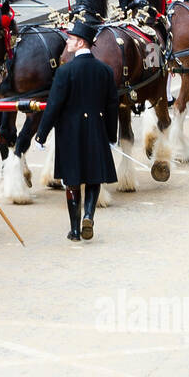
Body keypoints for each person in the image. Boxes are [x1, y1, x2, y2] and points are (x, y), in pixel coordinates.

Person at [35, 20, 117, 241]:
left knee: (72, 181)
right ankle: (88, 215)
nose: (68, 41)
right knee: (93, 179)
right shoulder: (105, 71)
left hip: (70, 133)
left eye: (71, 39)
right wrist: (111, 135)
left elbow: (53, 106)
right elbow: (112, 106)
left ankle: (74, 229)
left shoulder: (65, 72)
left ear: (80, 42)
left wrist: (41, 134)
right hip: (97, 129)